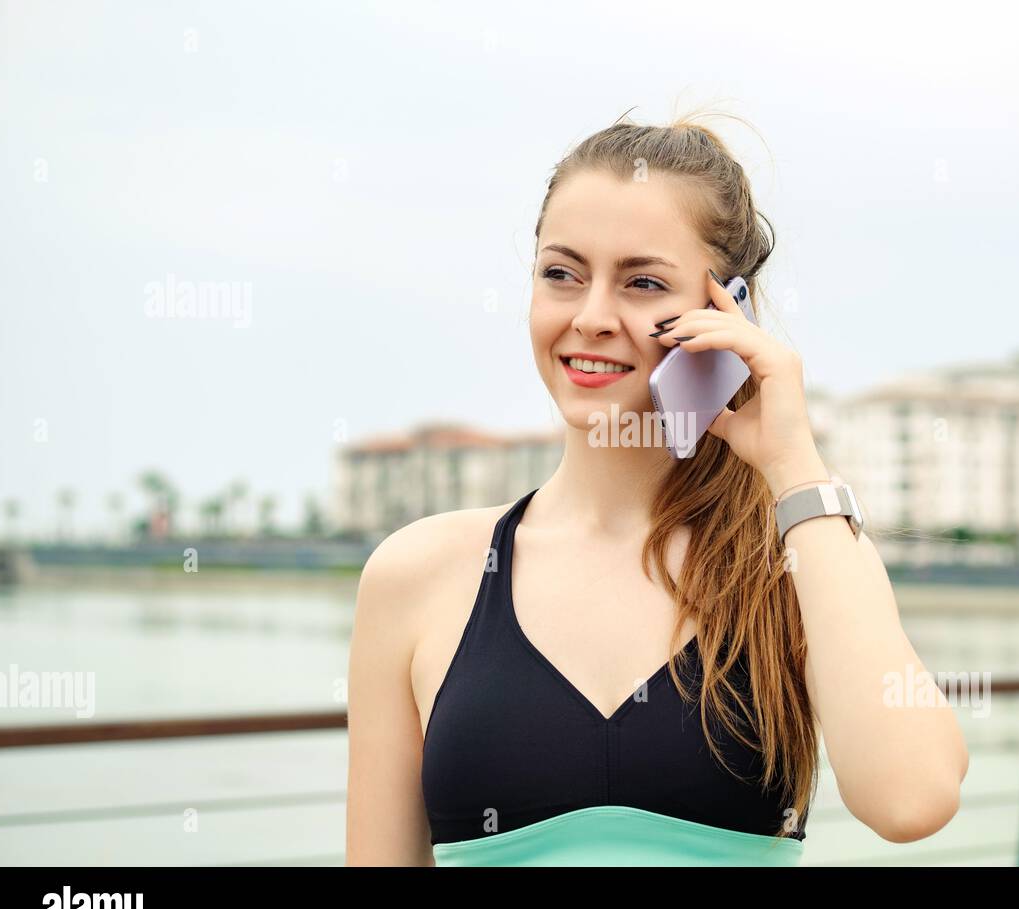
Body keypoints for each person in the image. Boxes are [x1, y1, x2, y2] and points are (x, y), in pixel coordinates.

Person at [345, 110, 969, 866]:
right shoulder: (419, 573)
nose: (592, 317)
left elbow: (912, 799)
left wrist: (794, 465)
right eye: (561, 274)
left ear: (724, 311)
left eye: (642, 282)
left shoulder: (797, 556)